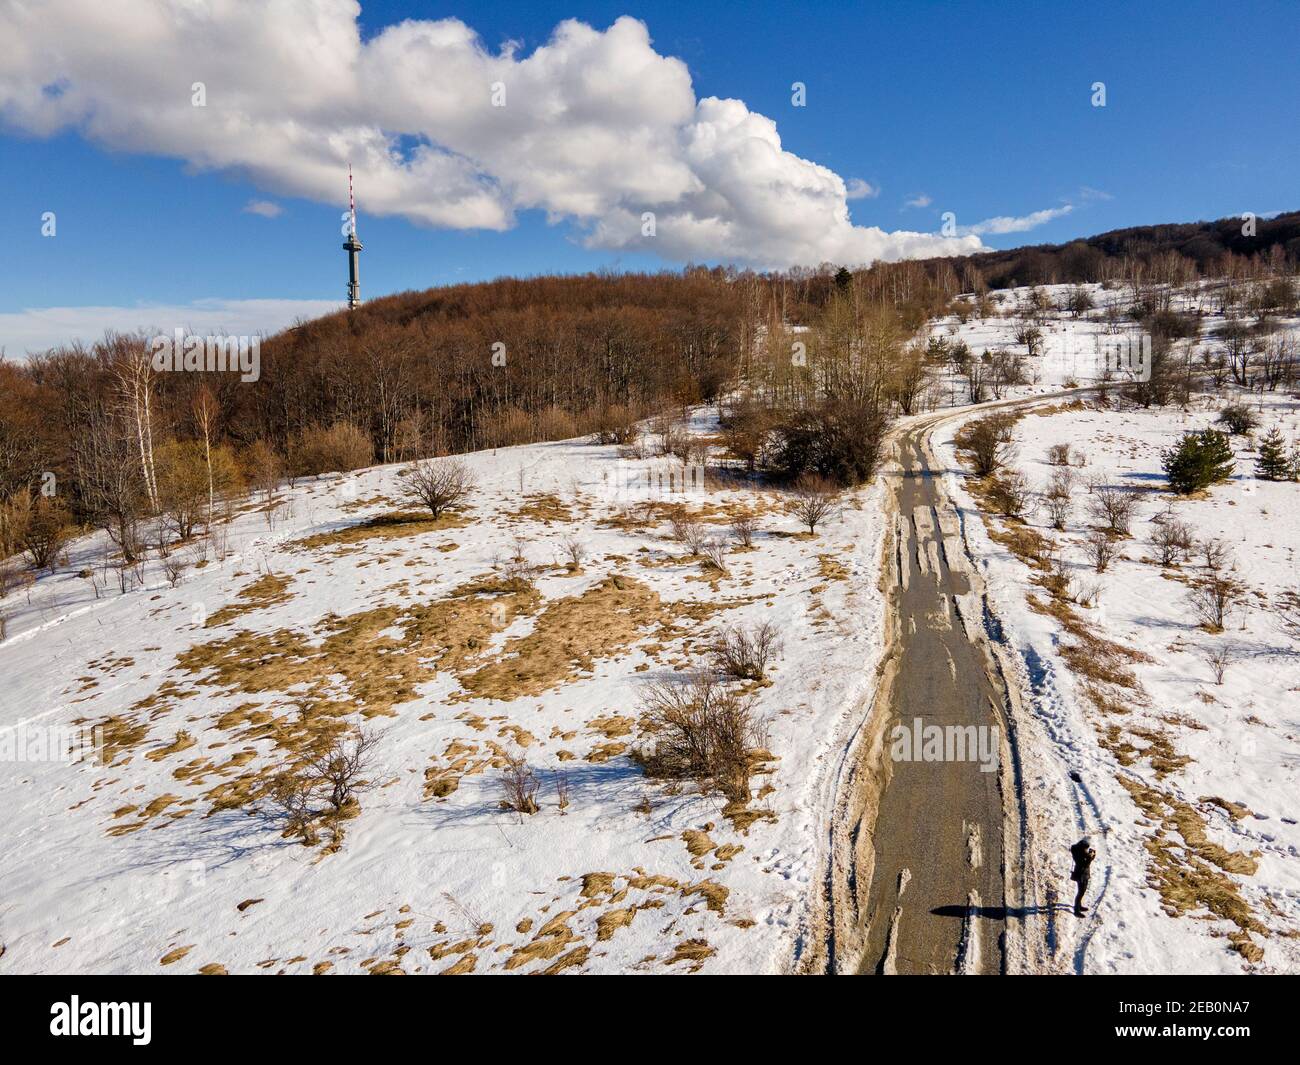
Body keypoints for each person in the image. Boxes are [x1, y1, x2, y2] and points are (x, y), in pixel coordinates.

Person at [1070, 837, 1095, 917]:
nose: (1087, 850)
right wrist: (1091, 858)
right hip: (1082, 876)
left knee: (1081, 892)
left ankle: (1079, 906)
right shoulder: (1080, 856)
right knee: (1081, 893)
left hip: (1081, 875)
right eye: (1086, 849)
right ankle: (1076, 911)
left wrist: (1089, 855)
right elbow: (1085, 865)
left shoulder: (1077, 851)